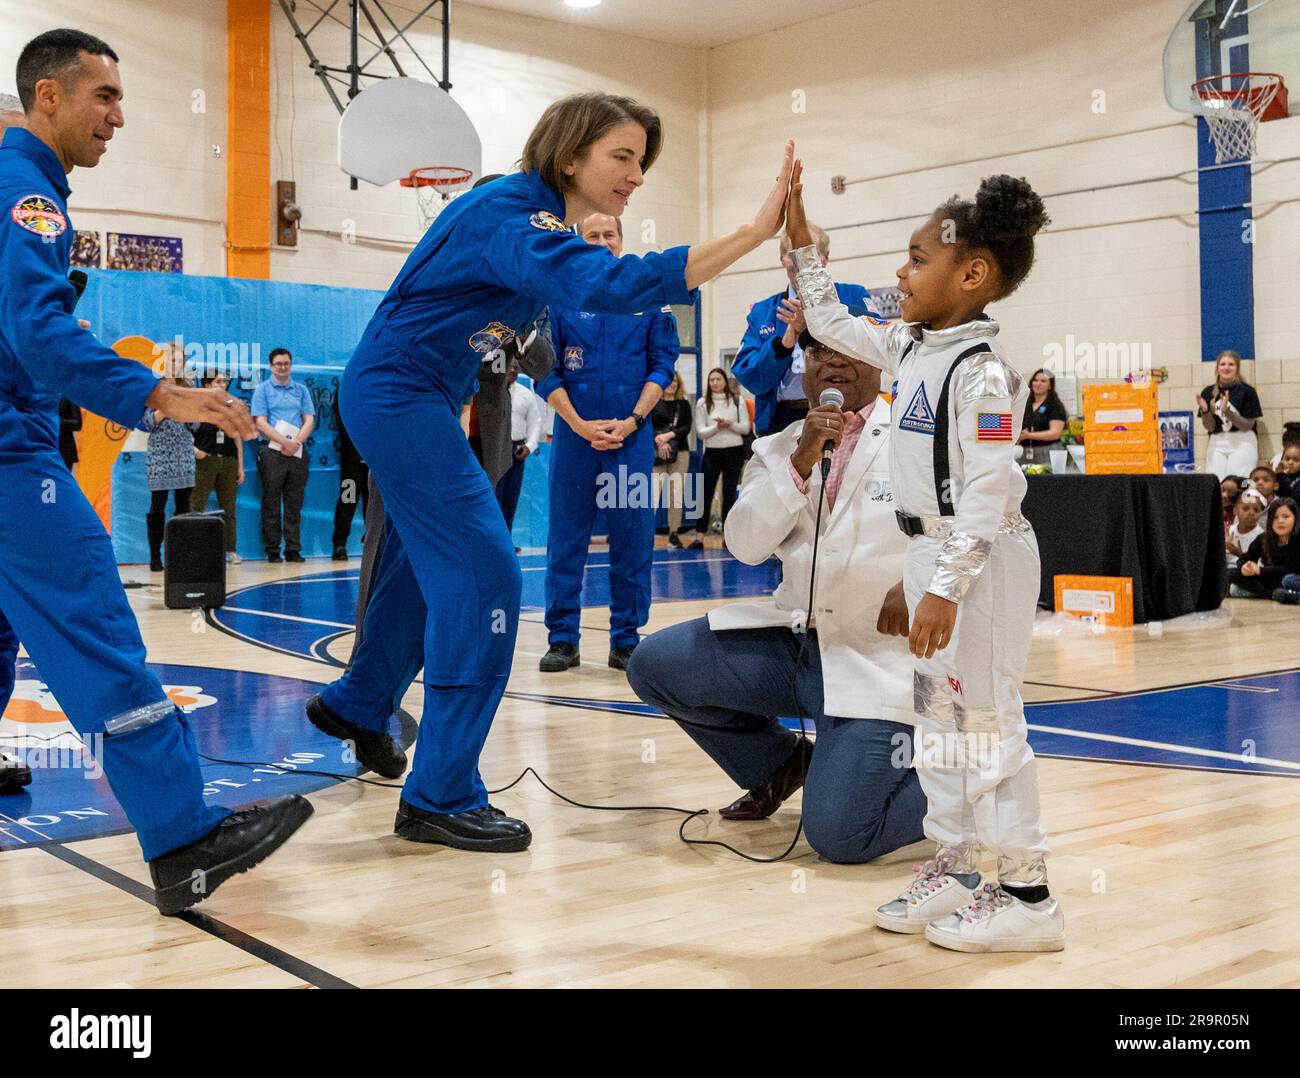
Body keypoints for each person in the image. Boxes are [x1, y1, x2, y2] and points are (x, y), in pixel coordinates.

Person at [303, 91, 796, 853]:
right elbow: (612, 285)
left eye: (643, 162)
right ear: (570, 156)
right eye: (622, 157)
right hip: (401, 395)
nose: (636, 176)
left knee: (416, 567)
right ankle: (441, 794)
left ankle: (362, 702)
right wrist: (752, 233)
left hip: (416, 395)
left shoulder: (537, 220)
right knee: (486, 578)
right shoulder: (514, 214)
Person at [0, 28, 309, 910]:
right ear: (48, 97)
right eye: (105, 97)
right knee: (98, 633)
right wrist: (157, 395)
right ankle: (184, 837)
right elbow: (39, 335)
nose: (120, 117)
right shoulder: (27, 197)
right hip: (9, 453)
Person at [791, 168, 1064, 952]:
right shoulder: (908, 343)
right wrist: (801, 233)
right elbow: (827, 318)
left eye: (915, 259)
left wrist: (946, 586)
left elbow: (990, 488)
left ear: (971, 274)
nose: (900, 274)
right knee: (940, 725)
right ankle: (962, 868)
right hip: (928, 553)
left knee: (986, 724)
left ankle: (1030, 896)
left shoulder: (982, 375)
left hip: (979, 560)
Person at [627, 318, 928, 862]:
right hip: (793, 644)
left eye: (846, 350)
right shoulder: (778, 447)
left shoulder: (917, 436)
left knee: (840, 836)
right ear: (804, 368)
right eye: (816, 352)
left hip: (878, 656)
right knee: (654, 665)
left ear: (879, 360)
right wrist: (800, 462)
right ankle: (780, 763)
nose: (831, 361)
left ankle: (969, 783)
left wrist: (923, 586)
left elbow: (977, 528)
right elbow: (744, 544)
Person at [538, 211, 680, 673]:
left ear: (622, 239)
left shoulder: (647, 298)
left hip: (630, 441)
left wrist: (635, 420)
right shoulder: (559, 297)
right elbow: (545, 370)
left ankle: (626, 639)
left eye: (609, 234)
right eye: (592, 235)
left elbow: (662, 365)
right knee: (566, 541)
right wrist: (578, 424)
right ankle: (563, 639)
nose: (601, 242)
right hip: (575, 440)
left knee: (633, 540)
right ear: (580, 241)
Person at [731, 224, 872, 437]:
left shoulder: (855, 297)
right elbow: (749, 377)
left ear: (825, 257)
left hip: (843, 413)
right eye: (793, 254)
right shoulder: (763, 312)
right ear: (782, 258)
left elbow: (876, 352)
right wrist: (785, 342)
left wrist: (821, 323)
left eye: (809, 253)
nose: (801, 262)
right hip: (782, 417)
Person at [251, 347, 314, 563]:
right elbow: (260, 422)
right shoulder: (262, 390)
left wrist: (296, 442)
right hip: (271, 450)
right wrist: (283, 441)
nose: (282, 367)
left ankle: (293, 548)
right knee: (271, 500)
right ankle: (273, 549)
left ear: (291, 364)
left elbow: (309, 419)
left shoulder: (301, 390)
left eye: (286, 363)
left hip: (297, 450)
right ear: (271, 366)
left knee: (294, 501)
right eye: (278, 364)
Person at [141, 342, 195, 572]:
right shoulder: (152, 386)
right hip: (160, 453)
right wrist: (167, 407)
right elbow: (146, 423)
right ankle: (155, 556)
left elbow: (197, 423)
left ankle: (181, 555)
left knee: (184, 506)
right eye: (172, 359)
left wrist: (186, 410)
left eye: (180, 360)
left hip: (183, 451)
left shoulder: (190, 387)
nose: (176, 364)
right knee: (157, 506)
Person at [190, 371, 245, 563]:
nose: (222, 385)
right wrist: (194, 449)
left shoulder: (231, 407)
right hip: (205, 461)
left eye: (224, 382)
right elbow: (184, 432)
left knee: (228, 508)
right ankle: (193, 549)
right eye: (217, 382)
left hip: (228, 461)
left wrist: (240, 466)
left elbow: (237, 437)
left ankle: (230, 550)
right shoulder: (197, 408)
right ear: (206, 385)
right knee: (196, 506)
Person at [695, 367, 751, 538]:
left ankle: (729, 535)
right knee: (705, 493)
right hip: (712, 451)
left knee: (729, 493)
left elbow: (746, 427)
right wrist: (717, 427)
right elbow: (701, 432)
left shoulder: (737, 400)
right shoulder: (702, 403)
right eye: (711, 380)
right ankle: (699, 534)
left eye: (718, 379)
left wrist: (730, 425)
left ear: (725, 381)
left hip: (734, 451)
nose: (714, 383)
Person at [496, 358, 545, 537]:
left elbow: (535, 423)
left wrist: (529, 446)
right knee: (495, 498)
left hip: (517, 451)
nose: (513, 371)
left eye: (516, 368)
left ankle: (507, 540)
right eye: (510, 367)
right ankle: (496, 542)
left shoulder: (526, 394)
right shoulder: (491, 394)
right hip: (494, 450)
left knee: (511, 497)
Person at [650, 371, 699, 549]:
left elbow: (686, 427)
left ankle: (673, 533)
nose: (672, 384)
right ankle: (647, 533)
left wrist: (669, 435)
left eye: (675, 381)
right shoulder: (653, 402)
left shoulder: (683, 404)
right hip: (657, 452)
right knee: (653, 493)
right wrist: (659, 440)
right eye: (669, 381)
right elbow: (647, 425)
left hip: (681, 452)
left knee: (675, 494)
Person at [1198, 349, 1262, 482]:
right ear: (1217, 368)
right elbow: (1210, 427)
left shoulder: (1247, 391)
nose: (1226, 367)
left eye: (1231, 364)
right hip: (1217, 441)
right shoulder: (1208, 392)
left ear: (1237, 368)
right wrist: (1205, 412)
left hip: (1243, 440)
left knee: (1238, 484)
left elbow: (1247, 426)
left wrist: (1228, 412)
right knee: (1214, 482)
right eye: (1222, 364)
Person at [1229, 497, 1300, 599]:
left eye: (1286, 516)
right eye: (1275, 517)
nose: (1280, 521)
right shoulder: (1264, 538)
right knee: (1233, 573)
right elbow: (1245, 558)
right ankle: (1275, 594)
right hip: (1272, 579)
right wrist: (1245, 567)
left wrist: (1260, 571)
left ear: (1296, 519)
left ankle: (1275, 594)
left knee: (1288, 580)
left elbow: (1291, 569)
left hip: (1291, 577)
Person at [331, 406, 368, 561]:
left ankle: (371, 541)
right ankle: (339, 544)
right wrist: (360, 451)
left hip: (373, 465)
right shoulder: (345, 391)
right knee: (348, 501)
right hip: (351, 463)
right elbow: (344, 424)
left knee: (373, 504)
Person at [1017, 368, 1067, 465]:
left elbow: (1055, 433)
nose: (1038, 384)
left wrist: (1028, 435)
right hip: (1024, 453)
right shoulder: (1024, 404)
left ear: (1050, 386)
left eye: (1043, 381)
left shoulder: (1055, 405)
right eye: (1035, 380)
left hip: (1048, 452)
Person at [1226, 488, 1265, 572]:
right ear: (1235, 510)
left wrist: (1239, 554)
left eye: (1256, 510)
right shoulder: (1230, 530)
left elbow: (1258, 568)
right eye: (1245, 508)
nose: (1251, 513)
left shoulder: (1262, 536)